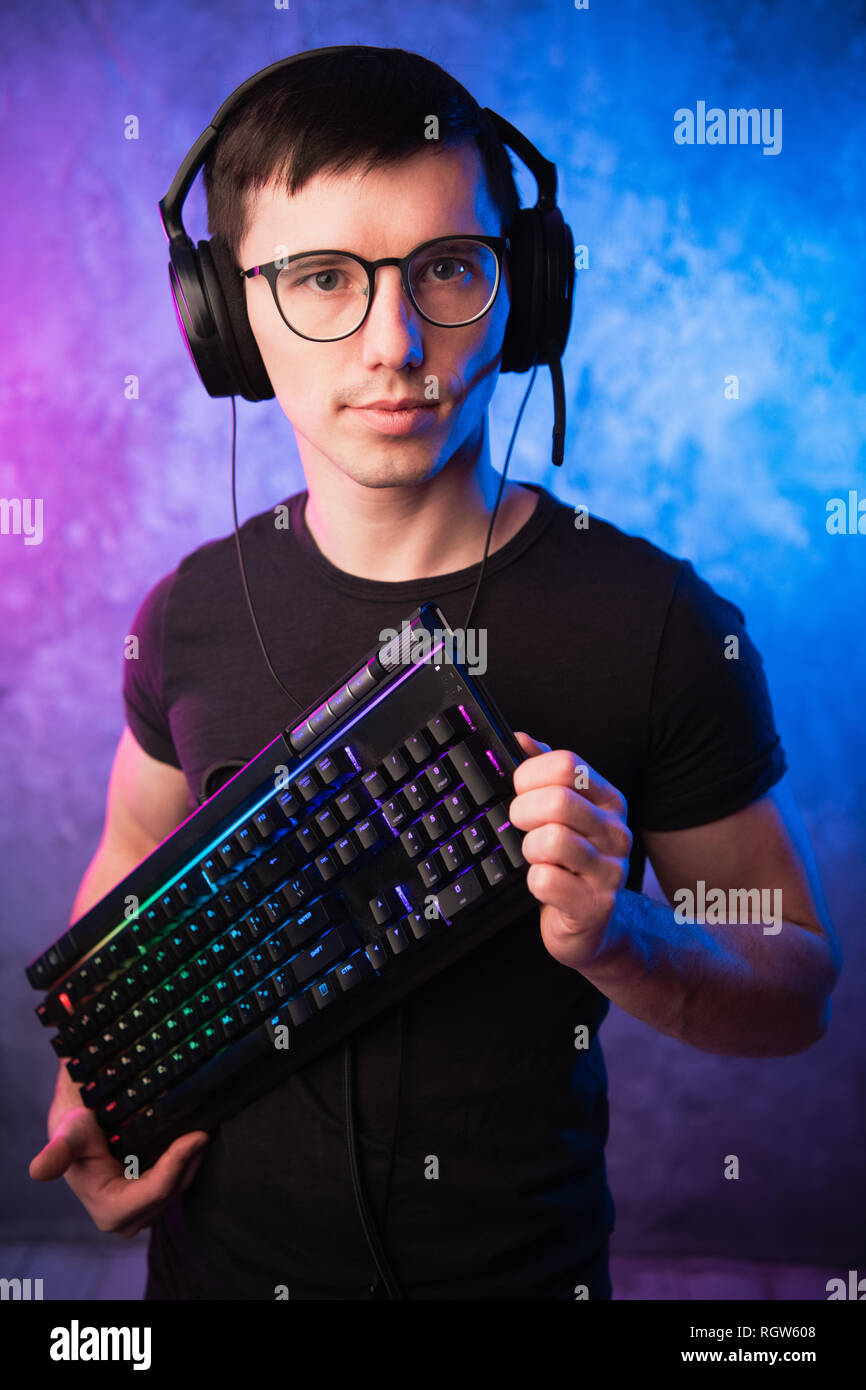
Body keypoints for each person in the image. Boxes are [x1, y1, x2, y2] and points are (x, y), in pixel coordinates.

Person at [29, 47, 841, 1300]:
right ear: (223, 315)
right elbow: (127, 866)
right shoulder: (184, 613)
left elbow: (791, 985)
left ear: (523, 290)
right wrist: (98, 1080)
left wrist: (624, 937)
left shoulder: (659, 622)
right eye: (320, 280)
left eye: (447, 269)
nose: (395, 341)